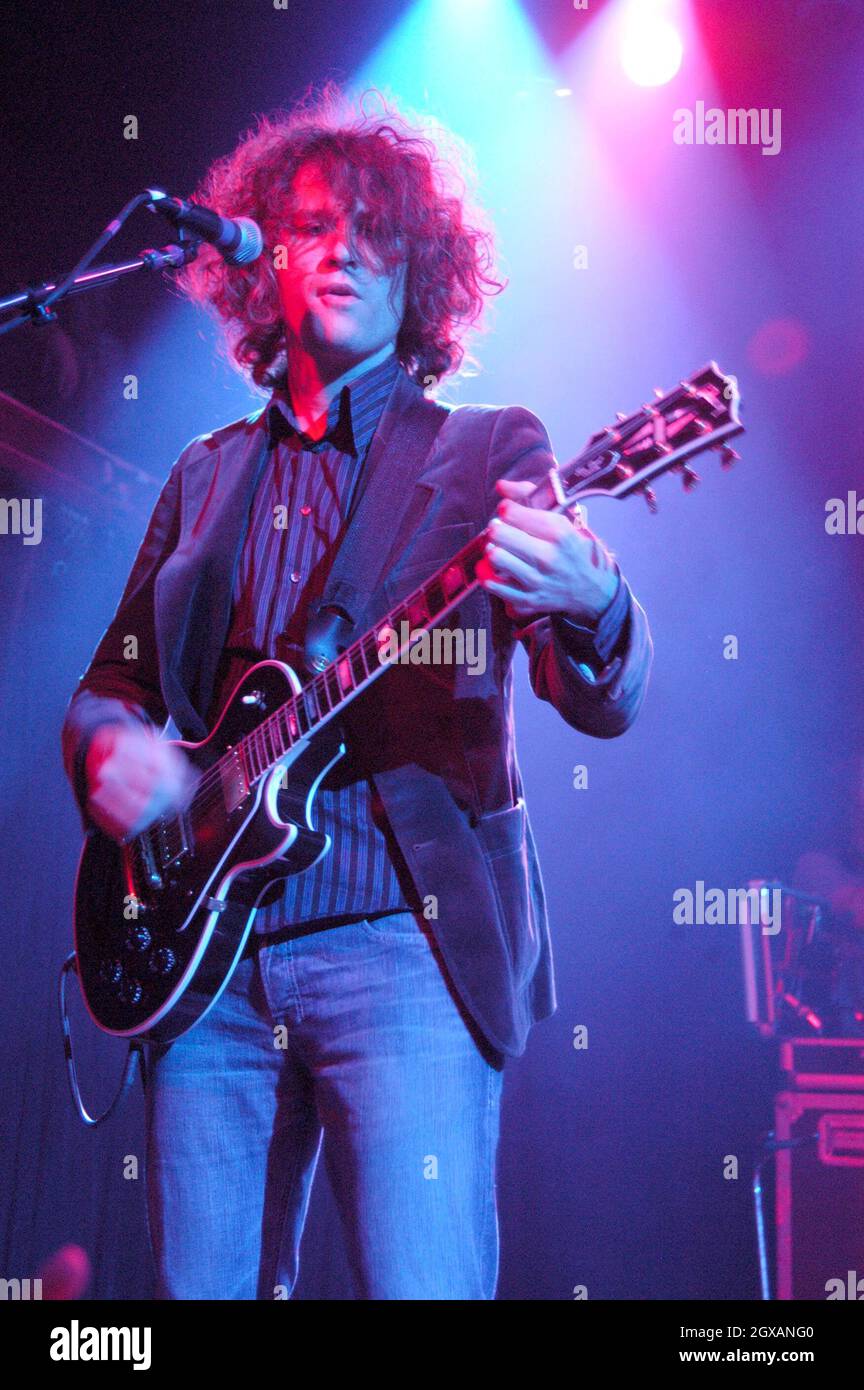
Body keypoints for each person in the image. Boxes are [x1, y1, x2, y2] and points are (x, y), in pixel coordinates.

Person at [62, 88, 652, 1300]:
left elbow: (591, 695)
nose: (340, 251)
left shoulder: (486, 451)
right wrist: (110, 750)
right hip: (204, 963)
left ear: (420, 271)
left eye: (376, 232)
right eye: (315, 226)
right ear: (263, 260)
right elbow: (107, 689)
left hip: (403, 942)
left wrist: (598, 607)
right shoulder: (204, 473)